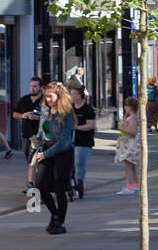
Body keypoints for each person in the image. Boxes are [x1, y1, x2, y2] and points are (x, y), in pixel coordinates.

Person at [32, 82, 76, 234]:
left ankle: (60, 223)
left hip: (63, 153)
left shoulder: (67, 114)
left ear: (59, 96)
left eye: (51, 96)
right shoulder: (45, 111)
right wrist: (36, 142)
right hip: (47, 149)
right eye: (47, 96)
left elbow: (64, 141)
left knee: (59, 189)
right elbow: (41, 131)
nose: (48, 99)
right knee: (41, 187)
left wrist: (46, 154)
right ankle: (55, 215)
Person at [12, 77, 44, 193]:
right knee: (29, 160)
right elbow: (15, 114)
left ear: (40, 87)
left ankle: (33, 184)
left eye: (35, 86)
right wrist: (23, 116)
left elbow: (50, 116)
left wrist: (37, 117)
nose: (32, 88)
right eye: (31, 86)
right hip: (26, 135)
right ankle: (33, 183)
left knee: (36, 161)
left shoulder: (45, 100)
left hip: (40, 136)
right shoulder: (24, 100)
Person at [69, 84, 96, 199]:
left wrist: (77, 127)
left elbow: (90, 125)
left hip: (84, 140)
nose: (71, 96)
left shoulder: (88, 109)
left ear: (79, 96)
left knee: (79, 162)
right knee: (69, 163)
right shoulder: (69, 108)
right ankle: (69, 183)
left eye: (73, 94)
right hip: (69, 140)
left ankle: (80, 182)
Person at [115, 97, 141, 194]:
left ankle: (130, 186)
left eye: (126, 106)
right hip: (129, 144)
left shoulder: (133, 119)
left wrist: (121, 127)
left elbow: (132, 131)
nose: (125, 107)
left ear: (130, 107)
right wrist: (125, 116)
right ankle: (136, 185)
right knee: (132, 165)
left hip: (130, 144)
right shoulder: (132, 117)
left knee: (128, 165)